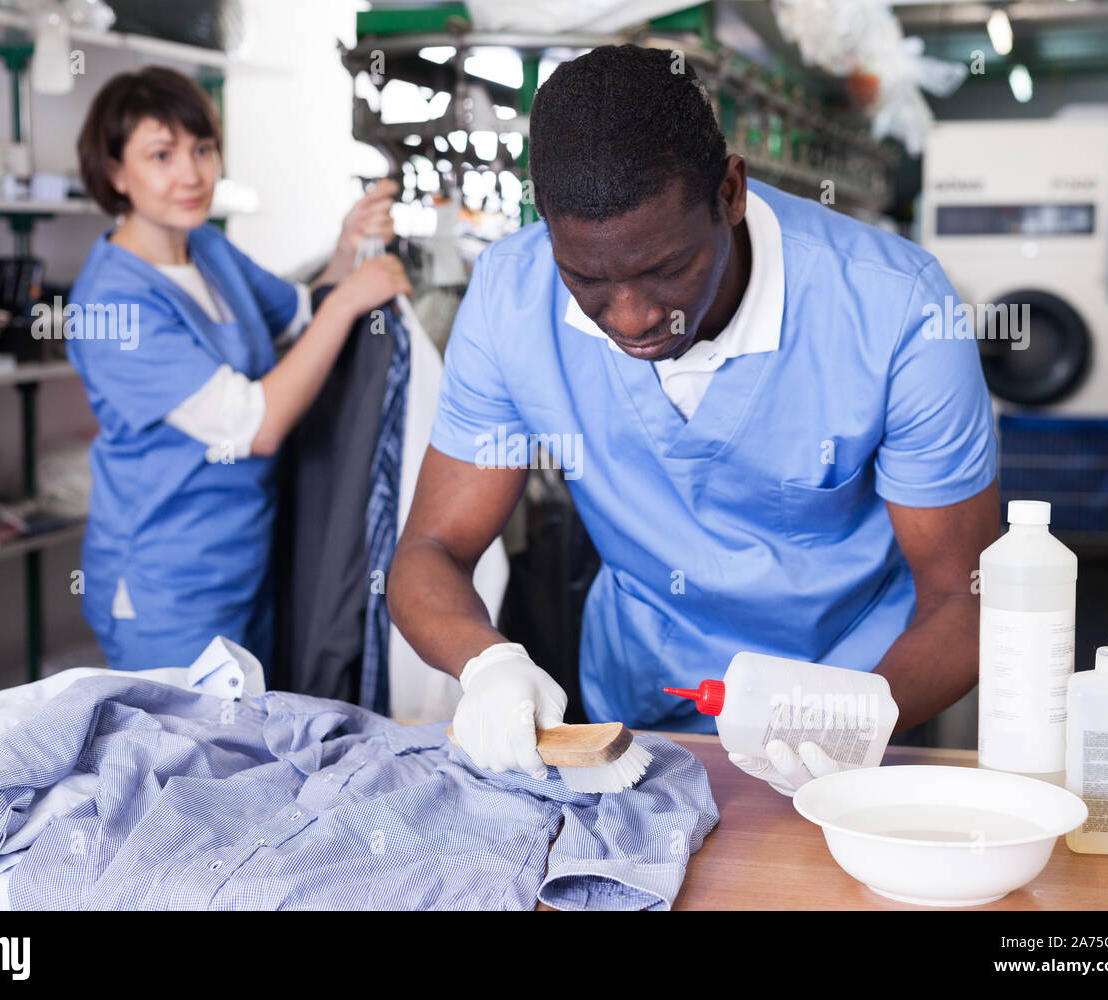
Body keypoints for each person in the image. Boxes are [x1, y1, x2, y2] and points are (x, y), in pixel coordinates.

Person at [387, 45, 1000, 793]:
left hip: (857, 694)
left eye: (667, 269)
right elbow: (430, 551)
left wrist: (854, 717)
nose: (635, 317)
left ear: (731, 192)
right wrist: (485, 663)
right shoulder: (510, 300)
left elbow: (963, 595)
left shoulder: (896, 308)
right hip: (640, 709)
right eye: (586, 278)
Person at [67, 66, 411, 670]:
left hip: (245, 561)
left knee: (252, 754)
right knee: (187, 760)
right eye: (162, 154)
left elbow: (302, 313)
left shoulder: (207, 248)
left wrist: (346, 246)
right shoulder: (112, 305)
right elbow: (255, 425)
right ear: (115, 171)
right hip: (165, 586)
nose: (191, 174)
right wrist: (355, 296)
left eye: (202, 149)